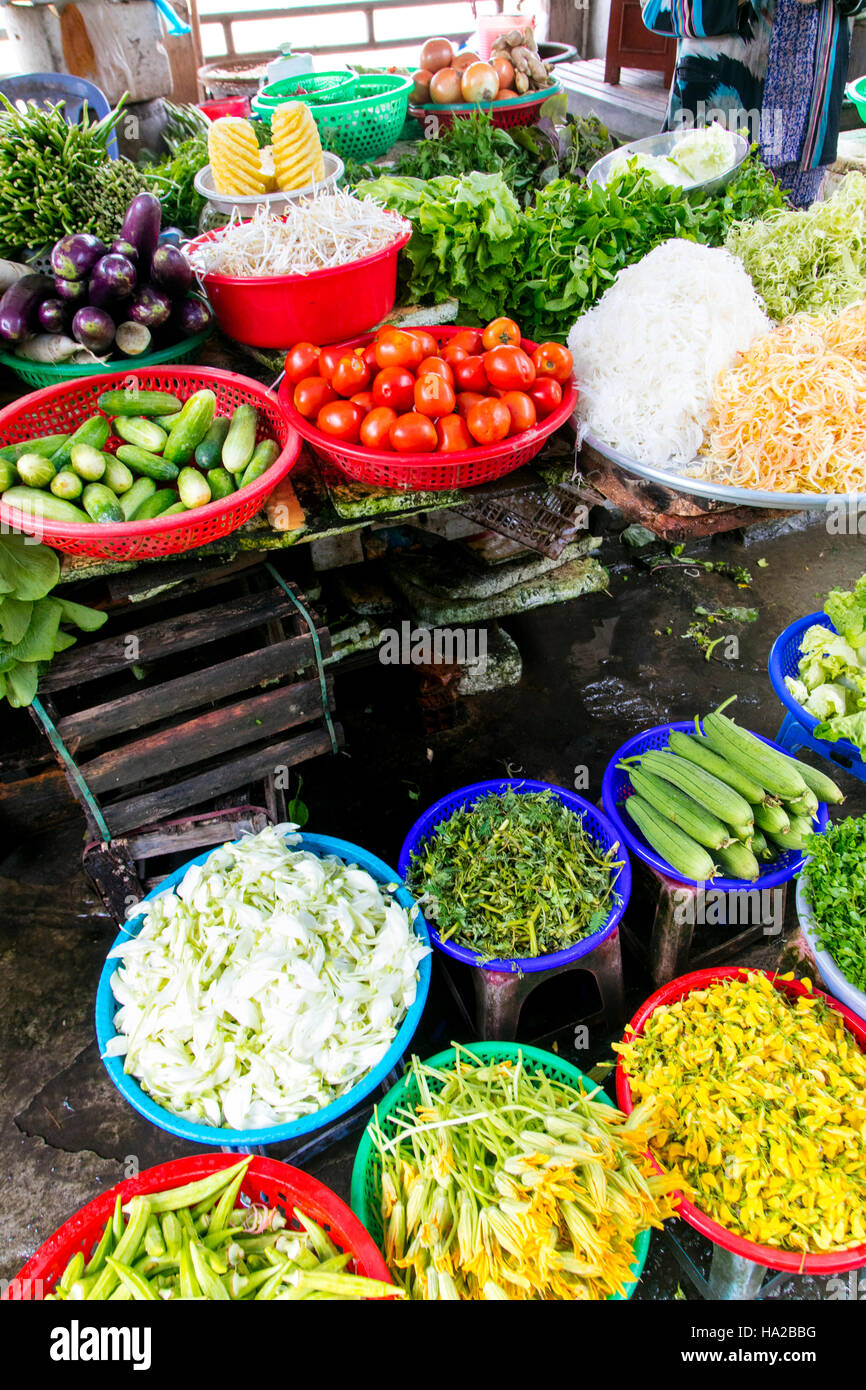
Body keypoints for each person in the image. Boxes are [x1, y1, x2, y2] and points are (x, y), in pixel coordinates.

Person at [640, 0, 866, 204]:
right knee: (702, 242)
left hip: (808, 138)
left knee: (790, 243)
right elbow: (653, 10)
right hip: (714, 140)